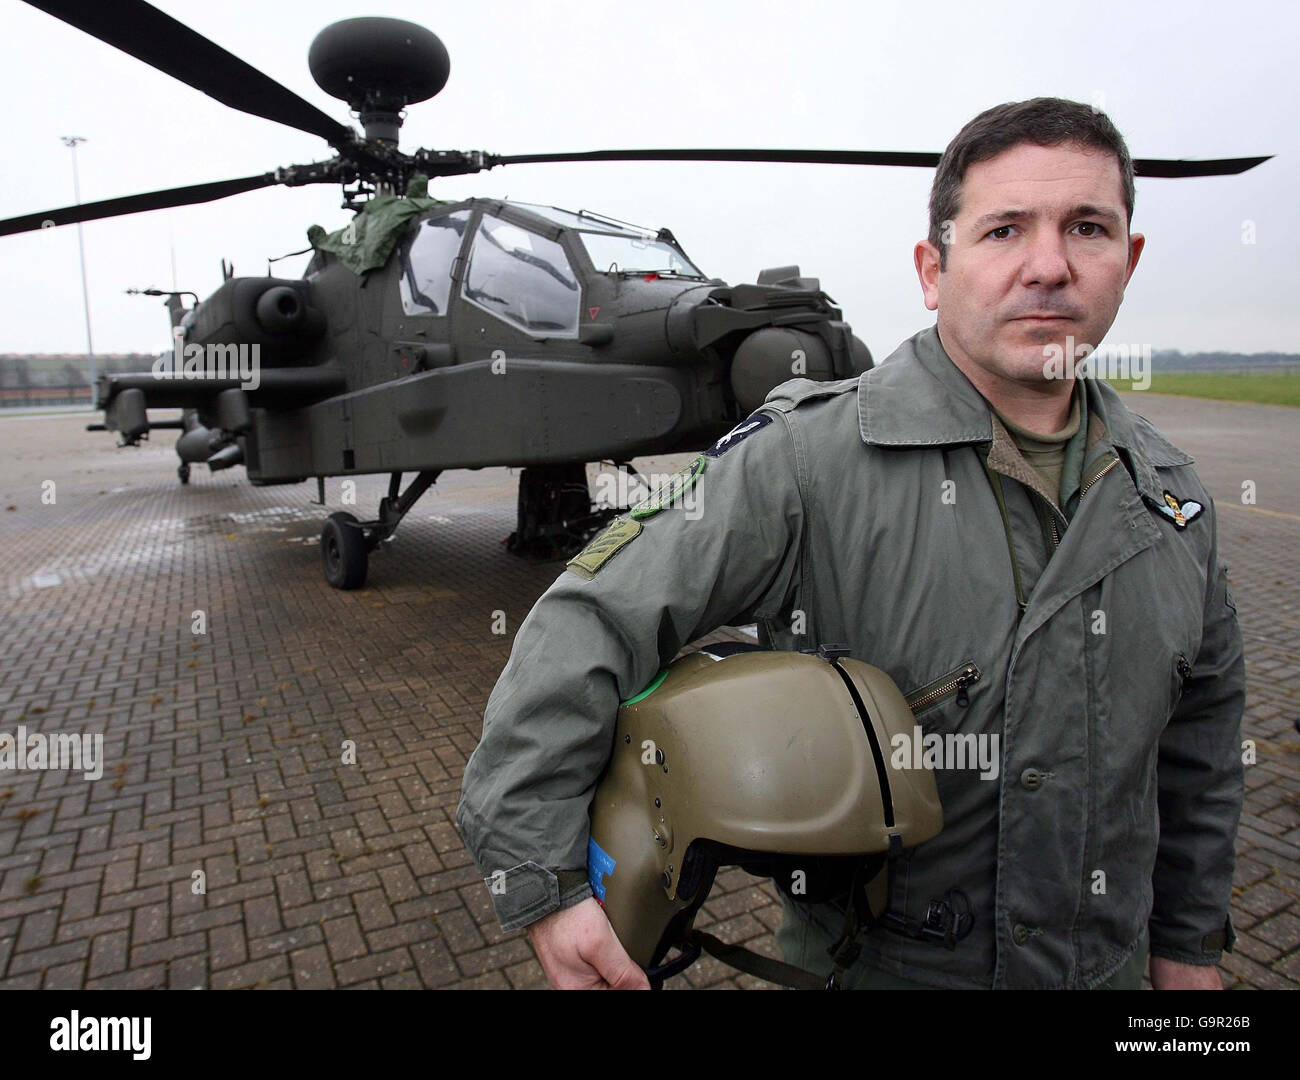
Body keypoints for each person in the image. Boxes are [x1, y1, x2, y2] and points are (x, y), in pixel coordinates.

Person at [455, 96, 1245, 990]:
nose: (1049, 266)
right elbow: (591, 618)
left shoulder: (1171, 497)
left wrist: (1188, 948)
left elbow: (1202, 751)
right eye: (1003, 231)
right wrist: (545, 883)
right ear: (933, 269)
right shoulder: (806, 458)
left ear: (1128, 260)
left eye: (1089, 228)